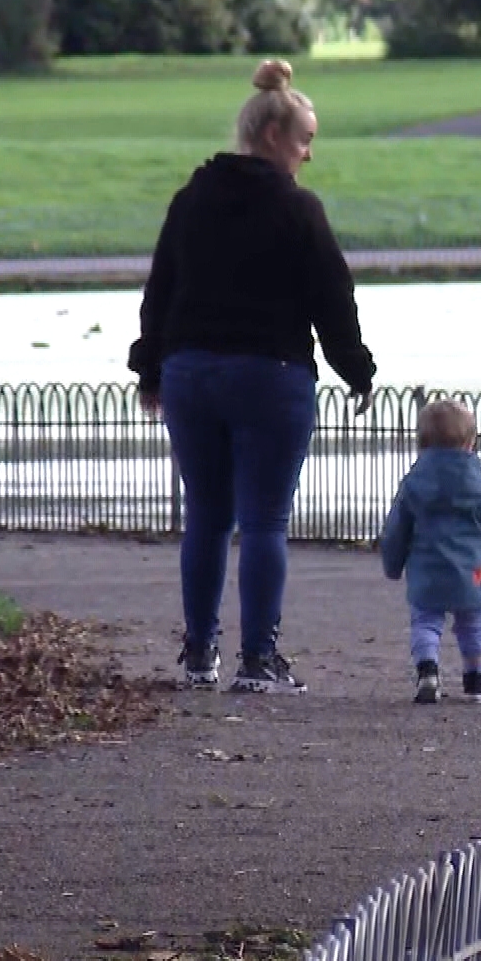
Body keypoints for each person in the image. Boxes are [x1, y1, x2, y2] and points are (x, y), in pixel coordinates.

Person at [129, 59, 377, 695]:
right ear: (273, 137)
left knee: (206, 516)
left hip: (191, 374)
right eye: (305, 140)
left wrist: (150, 365)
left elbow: (160, 288)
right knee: (265, 520)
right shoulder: (298, 210)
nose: (309, 155)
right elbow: (333, 299)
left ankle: (199, 654)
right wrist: (356, 370)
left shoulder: (191, 201)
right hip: (271, 374)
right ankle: (258, 659)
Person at [380, 399, 481, 706]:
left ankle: (428, 670)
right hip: (473, 571)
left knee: (426, 622)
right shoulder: (478, 482)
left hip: (426, 570)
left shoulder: (414, 483)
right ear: (470, 442)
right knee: (473, 623)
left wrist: (392, 565)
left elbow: (396, 529)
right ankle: (475, 679)